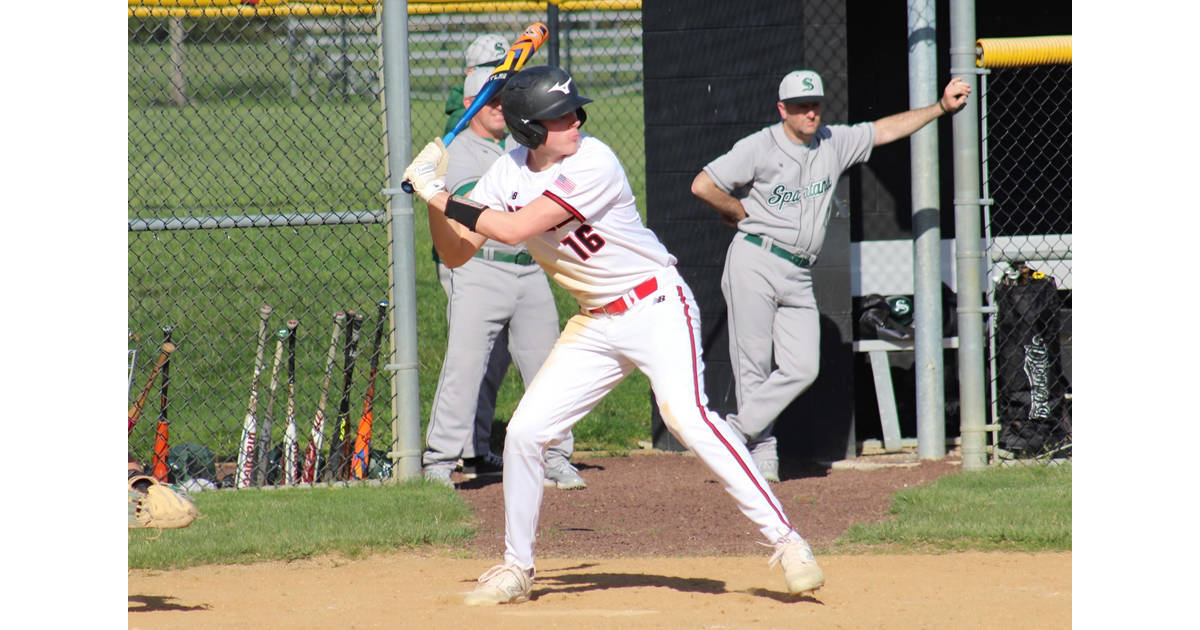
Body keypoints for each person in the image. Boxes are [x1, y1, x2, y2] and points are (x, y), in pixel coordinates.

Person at [403, 65, 824, 605]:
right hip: (595, 322)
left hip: (655, 305)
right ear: (529, 130)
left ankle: (788, 543)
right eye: (559, 116)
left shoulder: (594, 160)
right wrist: (431, 200)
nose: (575, 120)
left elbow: (511, 228)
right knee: (526, 433)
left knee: (688, 418)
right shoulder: (507, 172)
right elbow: (460, 249)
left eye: (575, 110)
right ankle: (516, 567)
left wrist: (436, 193)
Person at [690, 70, 971, 482]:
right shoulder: (760, 145)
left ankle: (731, 433)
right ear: (782, 109)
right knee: (753, 364)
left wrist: (940, 108)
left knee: (803, 366)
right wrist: (737, 214)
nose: (810, 112)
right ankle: (763, 451)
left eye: (815, 104)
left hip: (799, 270)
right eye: (801, 106)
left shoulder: (832, 142)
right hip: (756, 260)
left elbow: (883, 130)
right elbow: (703, 184)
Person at [423, 68, 587, 491]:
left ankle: (555, 455)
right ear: (471, 105)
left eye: (502, 101)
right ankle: (440, 461)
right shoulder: (456, 150)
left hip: (531, 267)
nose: (497, 108)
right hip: (482, 268)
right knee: (464, 366)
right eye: (489, 101)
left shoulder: (521, 146)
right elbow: (473, 208)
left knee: (548, 367)